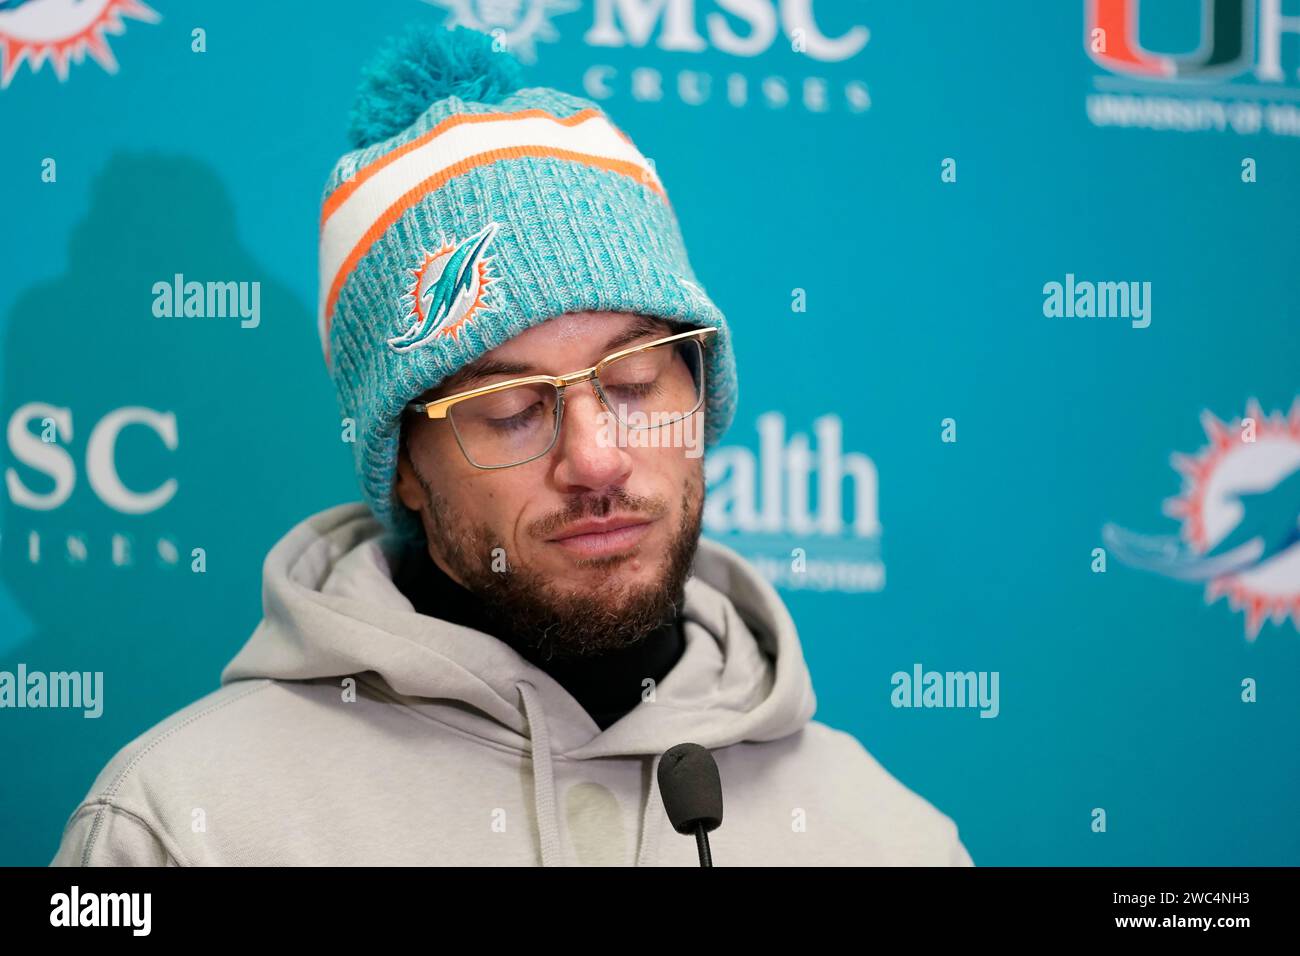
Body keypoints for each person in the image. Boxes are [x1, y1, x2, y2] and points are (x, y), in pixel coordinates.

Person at [50, 24, 973, 867]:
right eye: (508, 407)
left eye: (637, 378)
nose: (597, 460)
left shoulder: (891, 838)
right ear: (405, 464)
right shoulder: (181, 824)